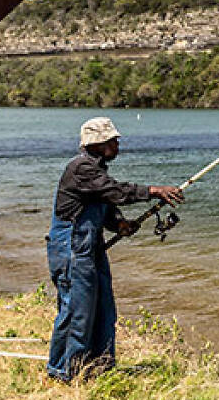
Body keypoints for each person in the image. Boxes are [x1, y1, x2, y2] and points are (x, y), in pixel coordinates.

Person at [46, 116, 183, 381]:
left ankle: (98, 367)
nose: (118, 145)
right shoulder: (80, 168)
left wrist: (118, 223)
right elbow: (115, 191)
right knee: (77, 310)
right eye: (113, 141)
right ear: (97, 143)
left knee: (103, 308)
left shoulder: (95, 170)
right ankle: (64, 371)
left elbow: (106, 202)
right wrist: (154, 191)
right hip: (71, 245)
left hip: (90, 245)